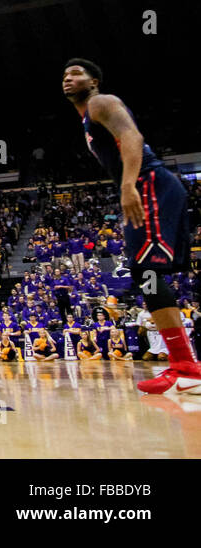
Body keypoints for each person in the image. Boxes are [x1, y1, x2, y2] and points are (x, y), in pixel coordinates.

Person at [62, 59, 200, 395]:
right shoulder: (86, 117)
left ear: (94, 80)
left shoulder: (101, 102)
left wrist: (128, 186)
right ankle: (184, 365)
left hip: (149, 183)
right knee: (147, 274)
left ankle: (186, 367)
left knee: (146, 272)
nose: (68, 78)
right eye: (65, 75)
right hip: (149, 185)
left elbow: (132, 136)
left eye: (77, 73)